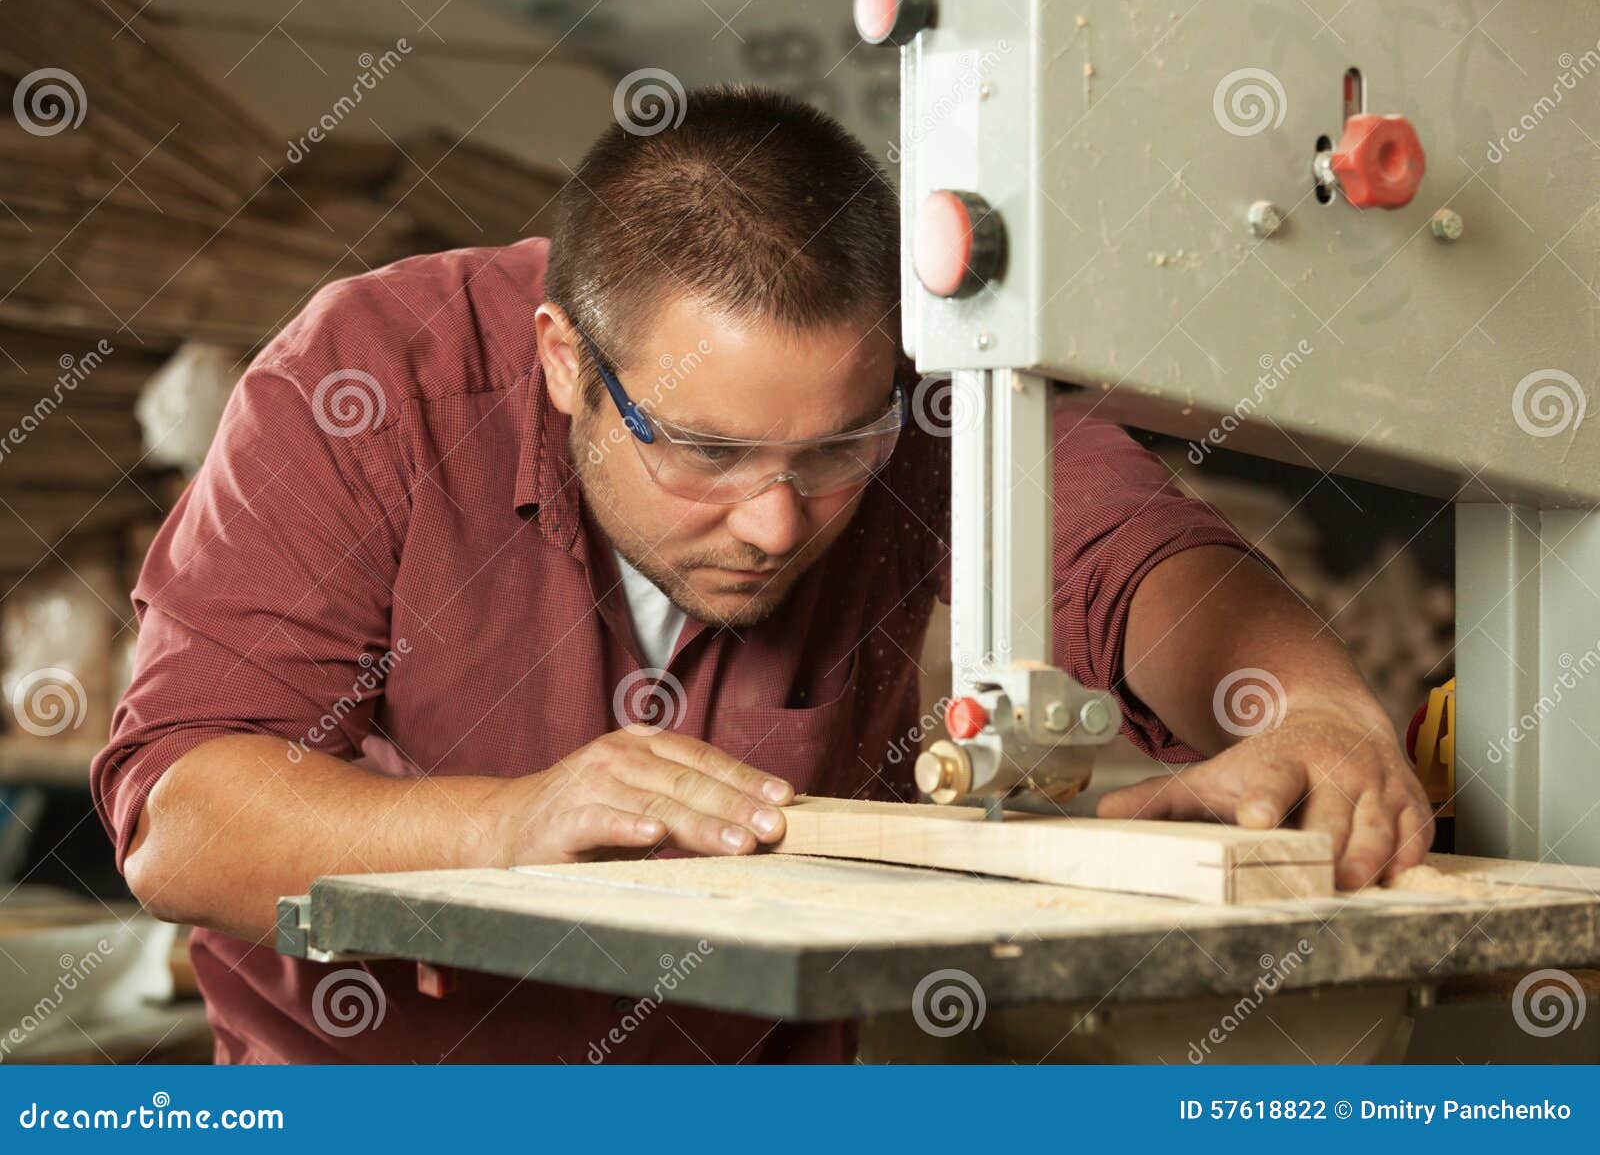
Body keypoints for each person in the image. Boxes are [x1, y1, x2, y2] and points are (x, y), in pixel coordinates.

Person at [93, 85, 1432, 1063]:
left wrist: (1301, 706)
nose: (780, 523)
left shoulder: (912, 388)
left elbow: (1124, 545)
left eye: (837, 452)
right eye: (710, 454)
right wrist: (493, 827)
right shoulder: (372, 382)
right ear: (567, 359)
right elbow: (183, 817)